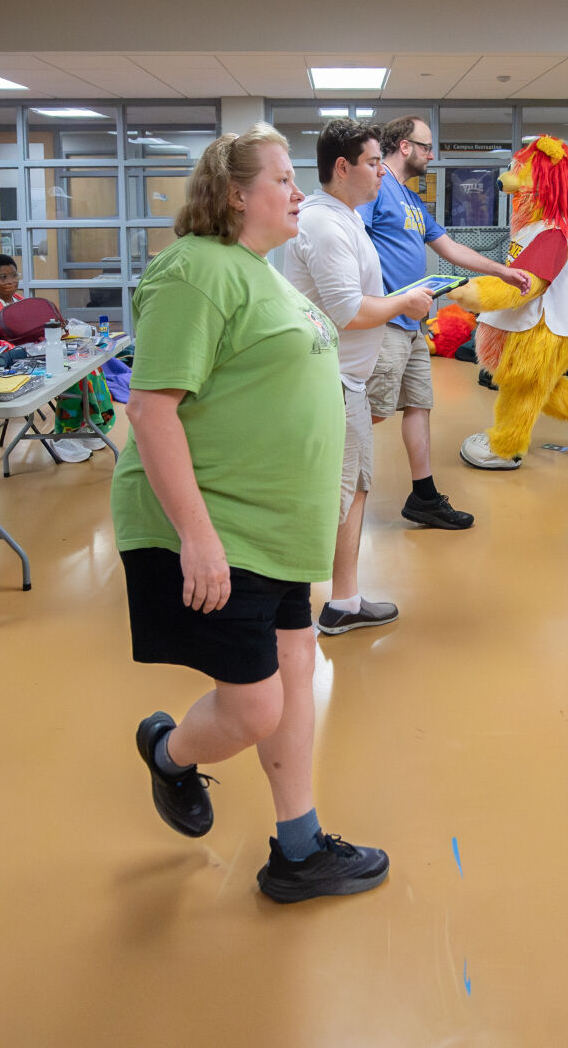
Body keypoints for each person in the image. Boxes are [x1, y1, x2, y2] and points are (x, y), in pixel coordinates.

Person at [112, 123, 388, 904]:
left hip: (275, 533)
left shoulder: (262, 272)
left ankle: (298, 850)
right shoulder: (195, 270)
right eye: (282, 180)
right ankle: (168, 752)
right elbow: (152, 408)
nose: (298, 193)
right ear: (236, 194)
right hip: (217, 529)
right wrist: (198, 538)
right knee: (258, 704)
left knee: (295, 674)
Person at [280, 118, 434, 635]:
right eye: (372, 163)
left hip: (344, 380)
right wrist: (404, 303)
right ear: (342, 167)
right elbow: (347, 309)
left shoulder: (344, 217)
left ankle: (342, 600)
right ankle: (315, 608)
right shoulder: (323, 223)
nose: (380, 173)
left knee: (355, 486)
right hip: (330, 381)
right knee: (342, 490)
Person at [361, 114, 532, 529]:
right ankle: (325, 484)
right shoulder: (376, 186)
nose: (431, 154)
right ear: (403, 146)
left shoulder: (414, 201)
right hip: (384, 322)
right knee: (368, 414)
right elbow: (354, 241)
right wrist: (376, 301)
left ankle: (424, 497)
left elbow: (450, 247)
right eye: (425, 146)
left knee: (419, 405)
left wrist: (501, 271)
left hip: (413, 324)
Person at [0, 253, 115, 462]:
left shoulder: (18, 301)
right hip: (9, 365)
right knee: (71, 379)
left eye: (13, 275)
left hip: (33, 355)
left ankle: (87, 426)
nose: (11, 280)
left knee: (90, 370)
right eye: (3, 277)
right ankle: (63, 435)